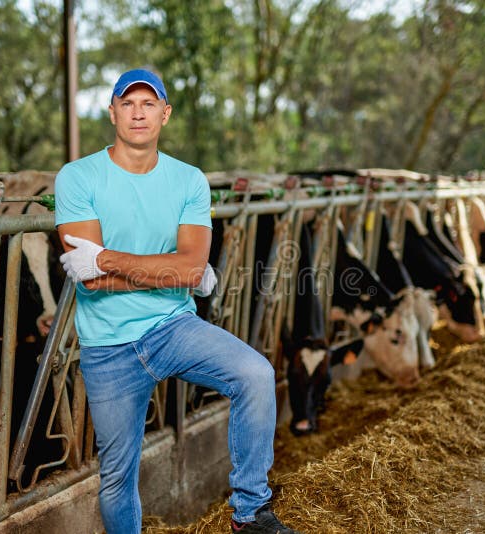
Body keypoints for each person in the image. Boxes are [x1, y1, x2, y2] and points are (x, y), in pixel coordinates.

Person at [54, 68, 299, 534]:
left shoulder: (189, 180)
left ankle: (251, 513)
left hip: (172, 327)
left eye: (148, 104)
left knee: (256, 374)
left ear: (165, 114)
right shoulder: (77, 176)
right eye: (128, 103)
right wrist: (173, 273)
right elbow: (92, 285)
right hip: (107, 346)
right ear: (112, 113)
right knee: (116, 479)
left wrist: (106, 258)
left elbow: (182, 270)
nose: (138, 112)